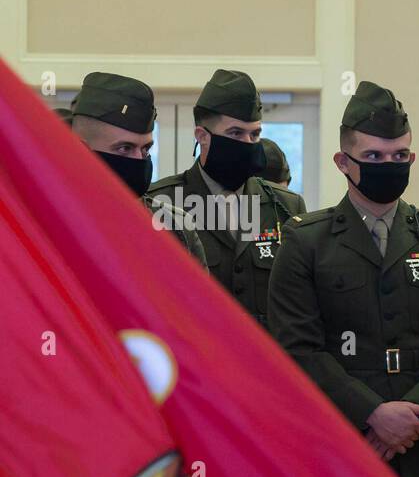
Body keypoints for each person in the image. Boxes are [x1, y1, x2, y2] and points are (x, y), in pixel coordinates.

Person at [267, 81, 419, 477]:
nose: (388, 166)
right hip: (340, 450)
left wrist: (410, 418)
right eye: (373, 158)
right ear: (342, 162)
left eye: (399, 156)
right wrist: (372, 414)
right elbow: (298, 348)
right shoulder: (305, 241)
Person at [149, 69, 305, 327]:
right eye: (235, 133)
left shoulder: (286, 206)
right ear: (202, 136)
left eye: (254, 135)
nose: (248, 143)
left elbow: (298, 304)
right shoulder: (162, 203)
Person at [67, 72, 206, 264]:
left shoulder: (176, 228)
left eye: (146, 148)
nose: (139, 159)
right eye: (125, 148)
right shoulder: (48, 224)